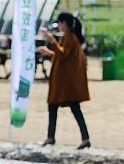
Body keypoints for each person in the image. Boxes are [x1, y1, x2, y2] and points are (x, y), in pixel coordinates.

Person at [37, 11, 92, 149]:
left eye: (60, 23)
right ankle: (81, 138)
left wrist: (52, 41)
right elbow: (63, 55)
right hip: (65, 82)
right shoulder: (70, 37)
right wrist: (49, 52)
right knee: (65, 108)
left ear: (64, 23)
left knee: (62, 107)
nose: (59, 26)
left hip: (66, 83)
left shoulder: (70, 37)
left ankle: (53, 137)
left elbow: (62, 54)